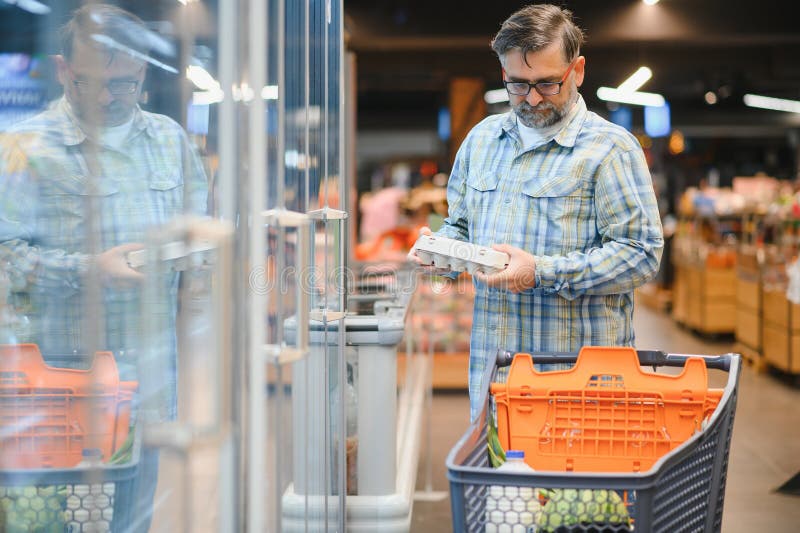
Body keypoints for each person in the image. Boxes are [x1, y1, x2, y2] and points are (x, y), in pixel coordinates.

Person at [0, 4, 207, 531]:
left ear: (143, 74)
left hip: (151, 382)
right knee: (53, 519)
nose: (105, 97)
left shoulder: (170, 142)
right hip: (63, 387)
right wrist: (93, 269)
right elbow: (4, 257)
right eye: (88, 82)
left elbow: (199, 235)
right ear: (63, 69)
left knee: (134, 520)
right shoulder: (24, 148)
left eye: (124, 83)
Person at [409, 4, 663, 420]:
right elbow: (459, 224)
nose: (531, 98)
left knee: (578, 488)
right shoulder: (481, 141)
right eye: (517, 84)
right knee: (498, 486)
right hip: (495, 383)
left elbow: (642, 254)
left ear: (577, 71)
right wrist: (441, 252)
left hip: (578, 392)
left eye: (547, 83)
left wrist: (541, 272)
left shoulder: (610, 149)